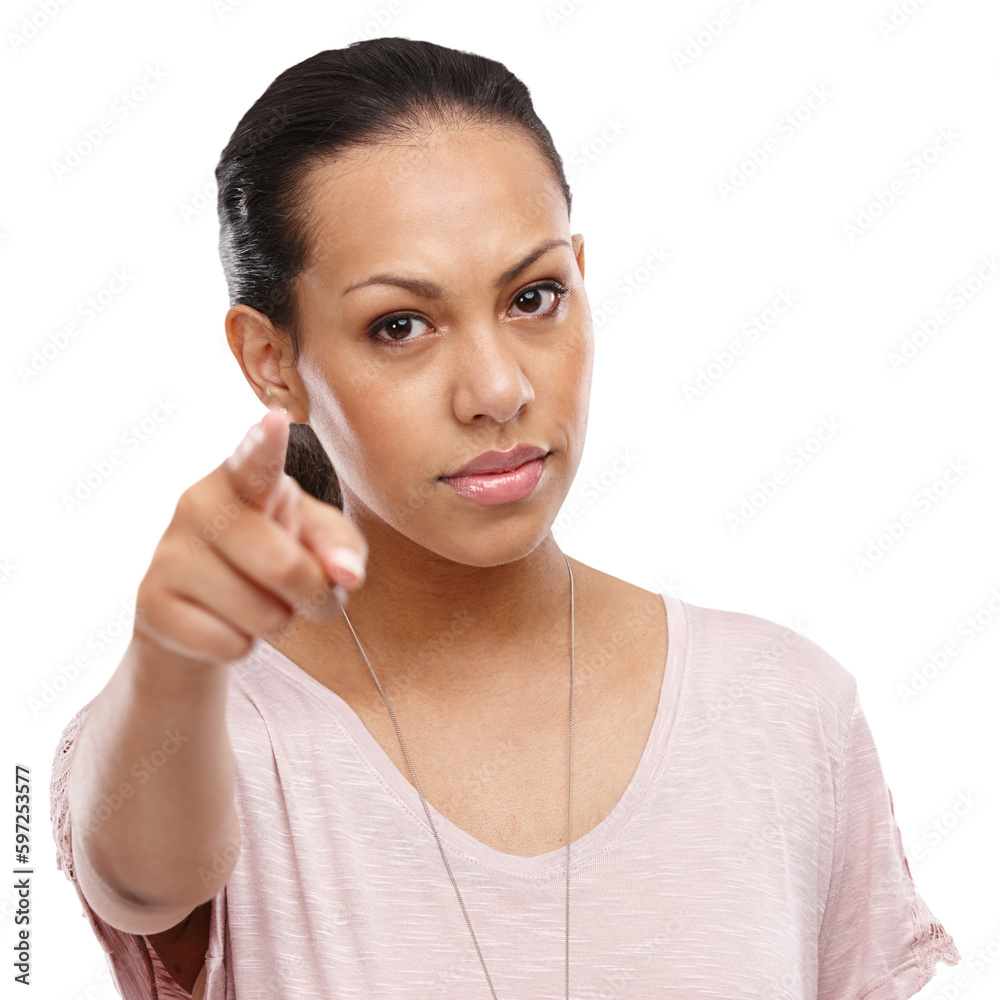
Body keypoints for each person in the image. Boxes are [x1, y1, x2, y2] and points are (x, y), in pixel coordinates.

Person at [49, 36, 961, 1000]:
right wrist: (169, 653)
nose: (497, 389)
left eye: (535, 298)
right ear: (272, 362)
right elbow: (139, 879)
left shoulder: (785, 711)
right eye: (400, 325)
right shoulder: (207, 731)